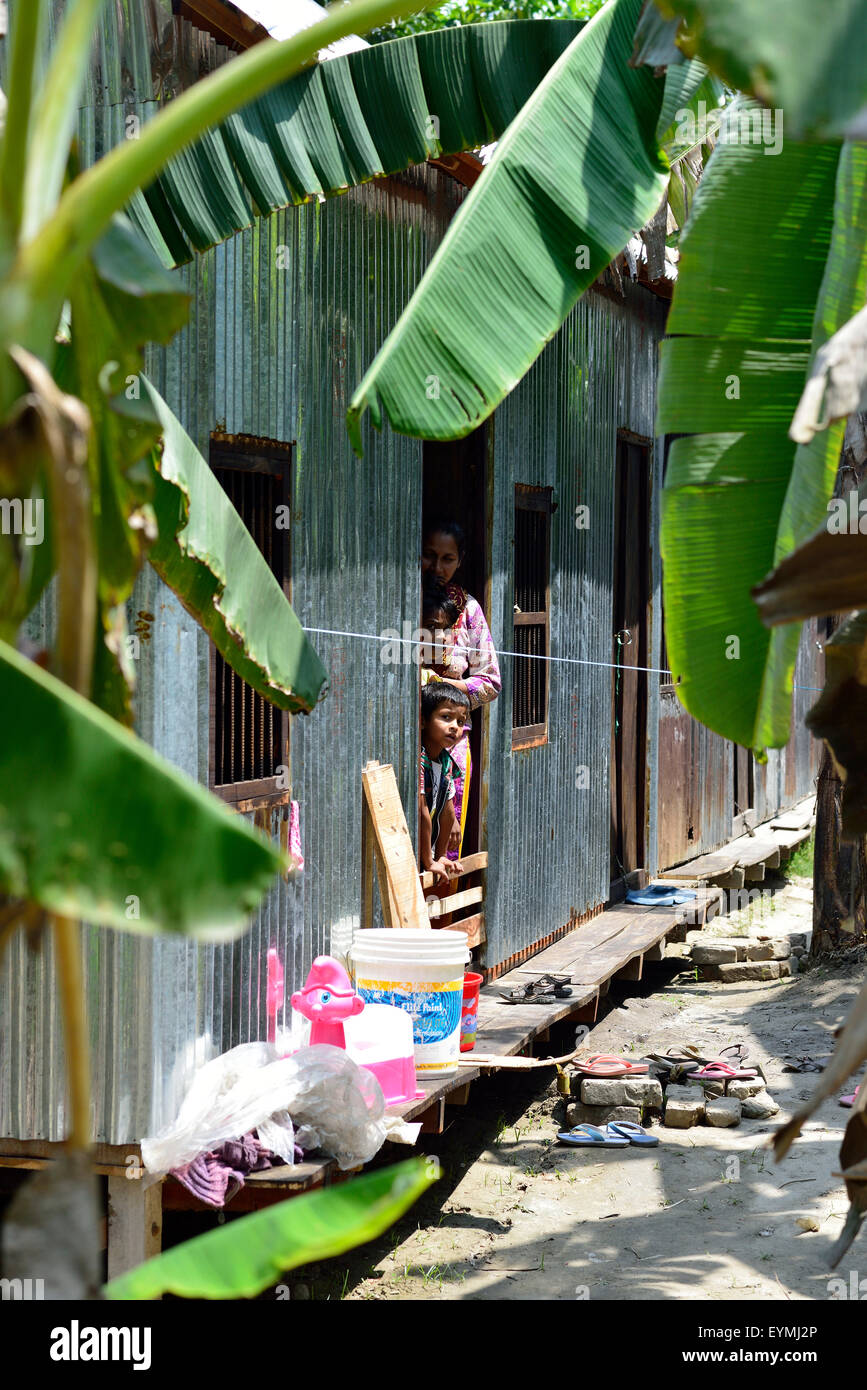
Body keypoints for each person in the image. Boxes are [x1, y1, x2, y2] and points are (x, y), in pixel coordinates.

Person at [421, 519, 501, 855]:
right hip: (407, 736)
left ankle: (440, 906)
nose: (437, 567)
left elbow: (491, 682)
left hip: (451, 743)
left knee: (447, 834)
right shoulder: (403, 599)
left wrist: (443, 684)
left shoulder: (469, 611)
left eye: (448, 559)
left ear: (461, 560)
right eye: (429, 555)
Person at [419, 682, 469, 885]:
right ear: (423, 721)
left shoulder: (445, 760)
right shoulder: (420, 759)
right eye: (446, 717)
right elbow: (421, 812)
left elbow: (448, 814)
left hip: (427, 848)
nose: (454, 727)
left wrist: (441, 855)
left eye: (460, 721)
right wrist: (429, 860)